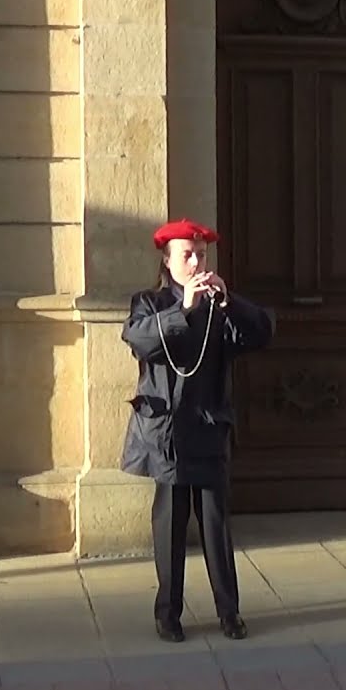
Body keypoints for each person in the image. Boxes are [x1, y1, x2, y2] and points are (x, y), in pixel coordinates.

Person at [121, 219, 274, 642]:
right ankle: (168, 612)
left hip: (208, 426)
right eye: (187, 254)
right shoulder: (148, 303)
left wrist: (229, 303)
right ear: (167, 262)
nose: (196, 261)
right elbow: (141, 341)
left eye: (201, 254)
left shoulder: (217, 306)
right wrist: (183, 309)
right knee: (170, 526)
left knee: (215, 523)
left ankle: (230, 611)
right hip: (166, 432)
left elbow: (261, 332)